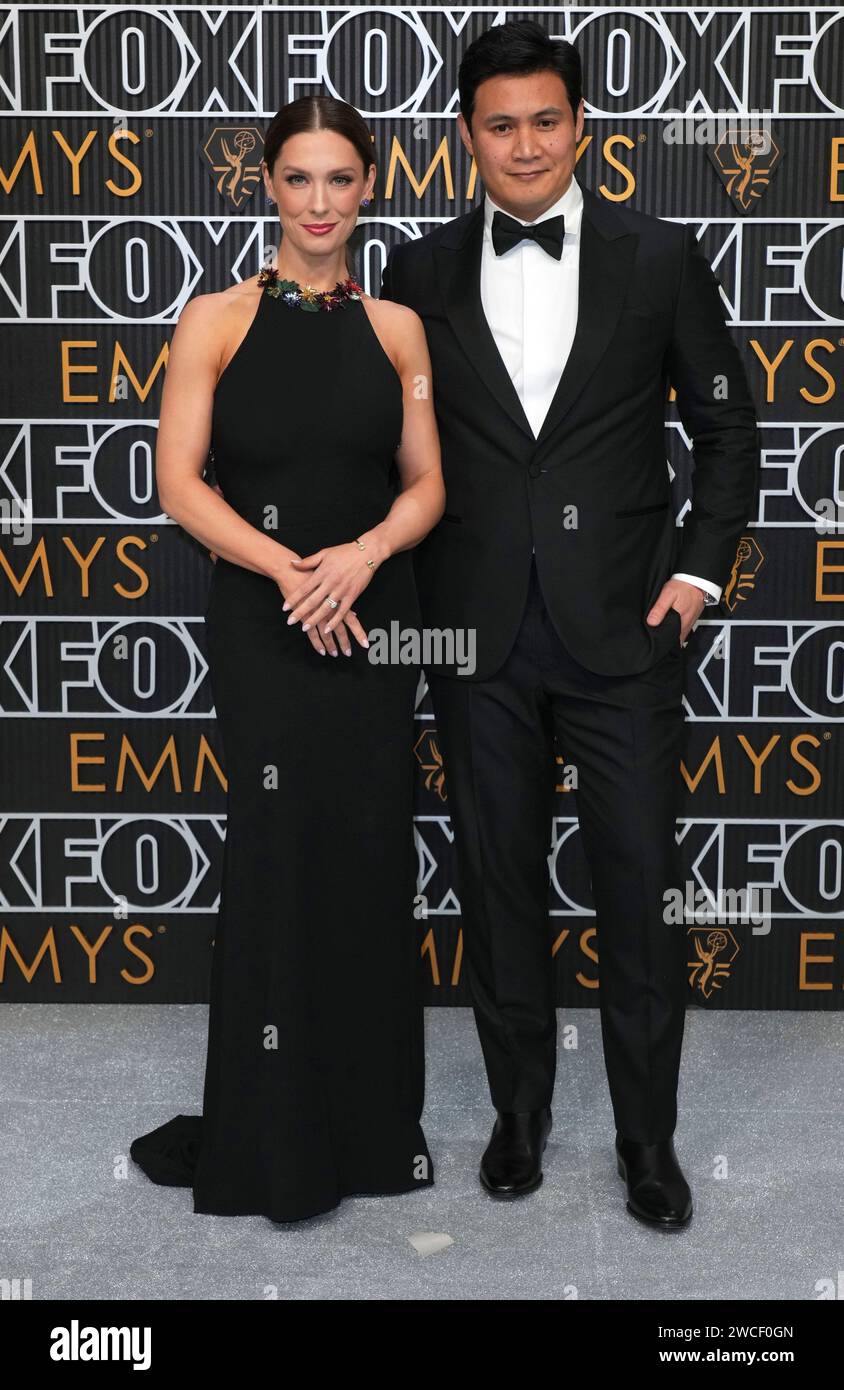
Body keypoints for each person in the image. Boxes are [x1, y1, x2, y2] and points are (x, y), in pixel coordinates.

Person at [381, 20, 759, 1227]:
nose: (526, 144)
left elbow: (728, 429)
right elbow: (388, 449)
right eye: (500, 124)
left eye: (547, 120)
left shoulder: (659, 255)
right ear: (464, 138)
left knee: (640, 893)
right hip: (472, 636)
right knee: (497, 890)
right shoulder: (418, 273)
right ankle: (519, 1116)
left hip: (624, 632)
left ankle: (648, 1142)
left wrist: (695, 578)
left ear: (581, 126)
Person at [130, 95, 444, 1224]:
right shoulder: (210, 320)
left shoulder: (399, 330)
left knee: (366, 856)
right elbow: (178, 486)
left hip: (373, 621)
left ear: (369, 186)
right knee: (275, 856)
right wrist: (291, 573)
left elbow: (427, 484)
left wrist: (356, 557)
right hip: (266, 629)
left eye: (340, 180)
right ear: (266, 183)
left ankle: (366, 1130)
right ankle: (271, 1134)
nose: (319, 203)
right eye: (298, 179)